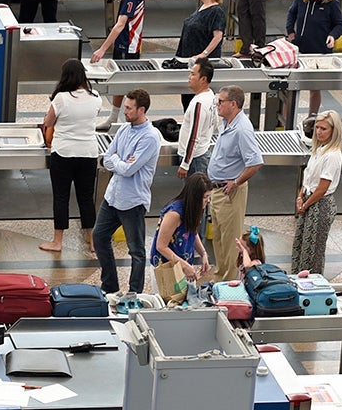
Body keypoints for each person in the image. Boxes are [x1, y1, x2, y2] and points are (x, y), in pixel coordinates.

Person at [93, 90, 159, 294]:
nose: (125, 112)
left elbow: (128, 170)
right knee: (99, 237)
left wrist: (118, 162)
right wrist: (119, 161)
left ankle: (134, 293)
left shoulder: (150, 137)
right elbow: (107, 158)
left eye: (129, 108)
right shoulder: (123, 129)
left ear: (141, 110)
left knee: (136, 251)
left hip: (133, 201)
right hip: (112, 197)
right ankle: (110, 286)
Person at [38, 59, 99, 253]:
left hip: (63, 153)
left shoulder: (61, 98)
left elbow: (48, 122)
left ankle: (57, 242)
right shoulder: (96, 96)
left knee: (61, 196)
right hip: (88, 153)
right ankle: (93, 242)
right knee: (86, 197)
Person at [207, 86, 264, 280]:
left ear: (233, 104)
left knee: (230, 241)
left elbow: (255, 162)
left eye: (221, 101)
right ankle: (219, 277)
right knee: (219, 239)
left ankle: (229, 282)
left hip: (229, 192)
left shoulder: (242, 129)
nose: (217, 104)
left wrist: (236, 182)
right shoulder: (226, 122)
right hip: (217, 190)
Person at [291, 111, 342, 273]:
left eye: (324, 129)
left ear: (333, 131)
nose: (319, 132)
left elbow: (322, 187)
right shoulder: (318, 150)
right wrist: (300, 197)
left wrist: (306, 204)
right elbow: (307, 178)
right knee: (301, 245)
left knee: (313, 251)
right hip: (308, 200)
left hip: (319, 205)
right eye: (317, 128)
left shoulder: (333, 155)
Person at [285, 0, 342, 116]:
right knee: (291, 84)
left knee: (315, 87)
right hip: (300, 47)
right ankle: (286, 117)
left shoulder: (331, 4)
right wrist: (290, 31)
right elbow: (291, 13)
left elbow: (339, 25)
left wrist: (332, 36)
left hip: (320, 51)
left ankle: (312, 116)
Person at [149, 174, 212, 291]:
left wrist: (203, 253)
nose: (208, 201)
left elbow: (192, 232)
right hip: (166, 267)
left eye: (209, 197)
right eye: (205, 197)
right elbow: (161, 246)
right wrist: (184, 265)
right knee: (166, 306)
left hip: (183, 264)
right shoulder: (174, 214)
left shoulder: (195, 208)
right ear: (195, 196)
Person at [176, 56, 219, 179]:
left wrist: (185, 164)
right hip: (202, 153)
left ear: (203, 79)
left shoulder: (198, 103)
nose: (189, 77)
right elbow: (215, 122)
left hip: (194, 160)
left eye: (193, 74)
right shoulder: (210, 95)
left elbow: (194, 136)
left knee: (194, 196)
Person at [177, 0, 227, 66]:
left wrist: (204, 54)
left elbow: (218, 37)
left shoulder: (216, 11)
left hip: (202, 62)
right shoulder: (201, 8)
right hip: (189, 57)